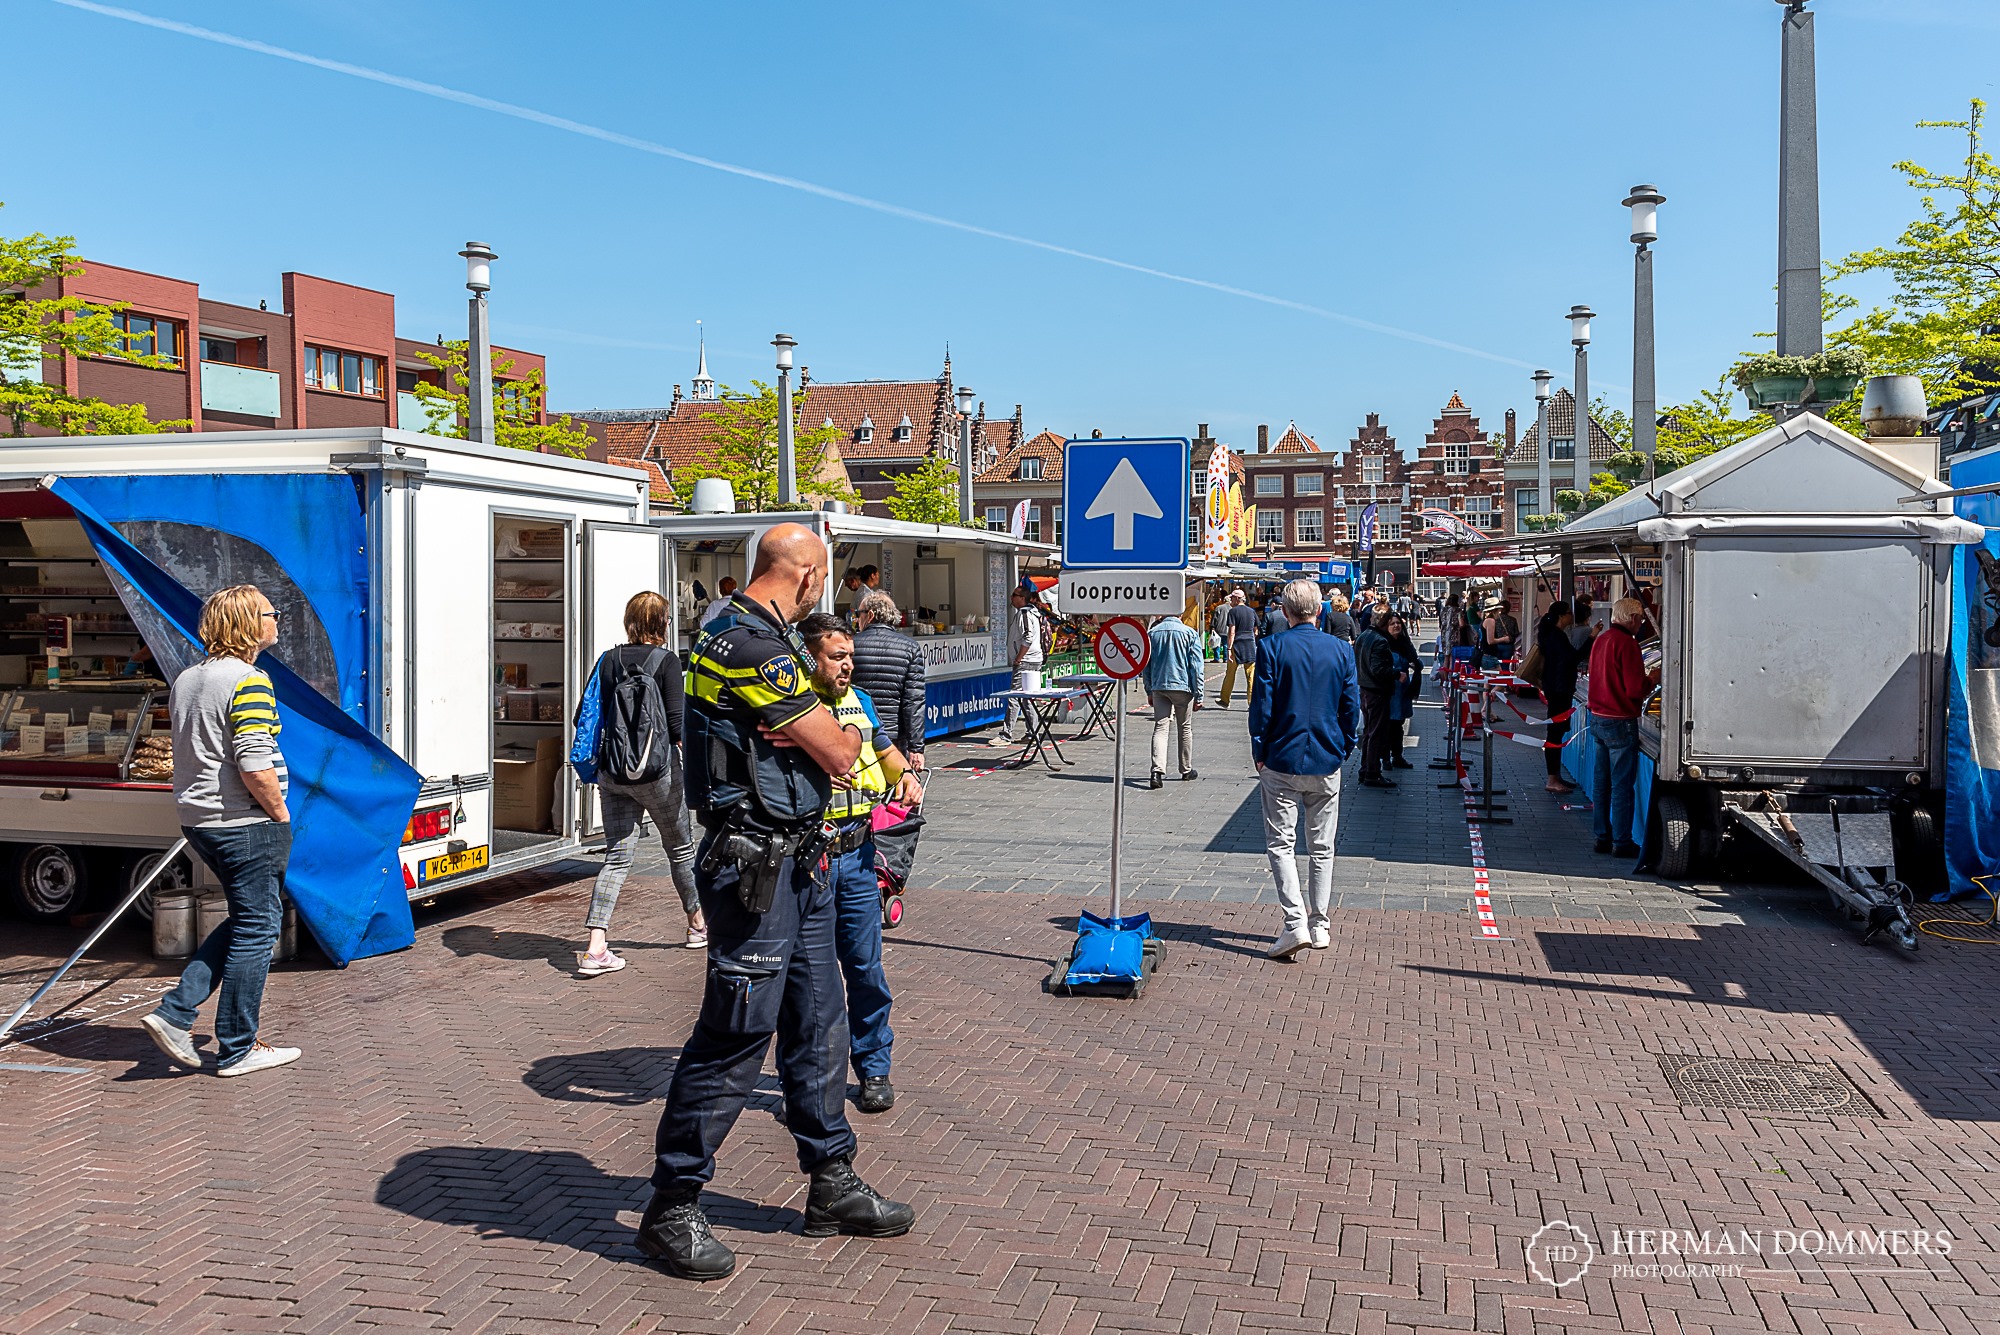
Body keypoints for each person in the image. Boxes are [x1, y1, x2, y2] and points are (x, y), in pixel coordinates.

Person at [641, 523, 914, 1282]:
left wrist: (809, 728)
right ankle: (671, 1203)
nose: (825, 593)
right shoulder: (747, 643)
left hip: (802, 859)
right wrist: (819, 735)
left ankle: (831, 1180)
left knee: (817, 1021)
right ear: (804, 574)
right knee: (736, 1031)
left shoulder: (770, 641)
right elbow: (837, 746)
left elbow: (824, 724)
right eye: (822, 579)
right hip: (755, 862)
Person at [140, 585, 299, 1078]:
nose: (279, 620)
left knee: (250, 919)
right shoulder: (250, 679)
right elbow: (253, 760)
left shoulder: (188, 678)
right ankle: (237, 1047)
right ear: (250, 625)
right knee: (258, 927)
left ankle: (176, 1012)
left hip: (201, 820)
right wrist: (279, 813)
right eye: (272, 614)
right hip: (245, 822)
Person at [797, 612, 923, 1116]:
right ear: (809, 657)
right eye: (837, 657)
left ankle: (873, 1067)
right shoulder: (793, 705)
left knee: (865, 967)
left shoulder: (861, 701)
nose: (848, 666)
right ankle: (811, 1078)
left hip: (857, 854)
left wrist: (907, 777)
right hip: (809, 860)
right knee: (810, 978)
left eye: (850, 656)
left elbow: (885, 752)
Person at [575, 591, 705, 976]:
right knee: (680, 849)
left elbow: (586, 715)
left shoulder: (607, 660)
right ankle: (697, 925)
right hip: (658, 773)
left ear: (629, 622)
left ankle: (596, 946)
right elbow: (679, 727)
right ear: (663, 624)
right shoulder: (665, 661)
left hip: (612, 773)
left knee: (617, 856)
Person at [1247, 579, 1360, 958]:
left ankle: (1295, 923)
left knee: (1281, 844)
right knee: (1322, 846)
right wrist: (1346, 745)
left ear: (1284, 610)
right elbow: (1351, 706)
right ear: (1320, 610)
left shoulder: (1272, 647)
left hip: (1281, 756)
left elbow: (1261, 705)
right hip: (1327, 757)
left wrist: (1258, 751)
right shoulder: (1341, 650)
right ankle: (1320, 924)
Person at [1586, 597, 1657, 858]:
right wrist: (1652, 678)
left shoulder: (1601, 640)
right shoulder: (1627, 644)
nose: (1640, 625)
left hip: (1598, 717)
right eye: (1639, 620)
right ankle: (1622, 841)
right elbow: (1635, 688)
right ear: (1632, 619)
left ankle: (1601, 836)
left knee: (1601, 783)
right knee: (1621, 785)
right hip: (1619, 720)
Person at [850, 591, 927, 771]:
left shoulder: (851, 644)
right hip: (893, 735)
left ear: (870, 615)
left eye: (858, 615)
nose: (856, 620)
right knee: (895, 789)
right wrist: (916, 747)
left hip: (857, 729)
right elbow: (914, 702)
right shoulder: (910, 648)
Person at [1143, 610, 1203, 788]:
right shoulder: (1189, 633)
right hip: (1183, 687)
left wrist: (1149, 689)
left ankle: (1156, 771)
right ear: (1181, 615)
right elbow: (1196, 667)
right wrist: (1199, 694)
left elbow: (1146, 665)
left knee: (1161, 727)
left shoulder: (1152, 634)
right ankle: (1186, 769)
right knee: (1184, 728)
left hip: (1159, 686)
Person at [1536, 603, 1583, 795]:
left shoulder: (1549, 635)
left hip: (1553, 688)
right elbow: (1573, 658)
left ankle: (1554, 776)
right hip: (1559, 689)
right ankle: (1552, 779)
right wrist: (1591, 638)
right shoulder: (1557, 636)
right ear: (1562, 616)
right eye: (1570, 614)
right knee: (1555, 733)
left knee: (1556, 732)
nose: (1572, 617)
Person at [993, 586, 1047, 746]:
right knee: (1026, 698)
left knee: (1014, 696)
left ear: (1022, 598)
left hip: (1026, 660)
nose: (1011, 598)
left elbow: (1028, 637)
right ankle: (1032, 733)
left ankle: (1006, 734)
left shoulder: (1024, 613)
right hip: (1034, 659)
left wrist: (1018, 657)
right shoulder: (1034, 613)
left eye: (1014, 595)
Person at [1354, 611, 1398, 788]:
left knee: (1369, 731)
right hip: (1376, 690)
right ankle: (1372, 771)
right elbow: (1378, 669)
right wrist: (1396, 673)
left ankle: (1365, 769)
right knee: (1375, 733)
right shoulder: (1380, 641)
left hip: (1365, 688)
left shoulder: (1363, 636)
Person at [1382, 613, 1422, 769]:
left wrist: (1417, 665)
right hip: (1388, 690)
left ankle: (1397, 756)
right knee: (1387, 725)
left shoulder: (1405, 642)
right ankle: (1385, 757)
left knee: (1398, 725)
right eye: (1392, 624)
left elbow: (1414, 659)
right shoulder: (1383, 643)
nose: (1396, 626)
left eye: (1398, 623)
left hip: (1403, 690)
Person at [1217, 590, 1259, 707]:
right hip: (1250, 645)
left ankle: (1225, 700)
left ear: (1236, 599)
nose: (1231, 601)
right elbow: (1256, 630)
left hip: (1237, 645)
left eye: (1232, 598)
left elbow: (1232, 631)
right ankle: (1252, 703)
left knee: (1230, 673)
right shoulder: (1252, 611)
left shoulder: (1233, 612)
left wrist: (1229, 649)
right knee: (1251, 675)